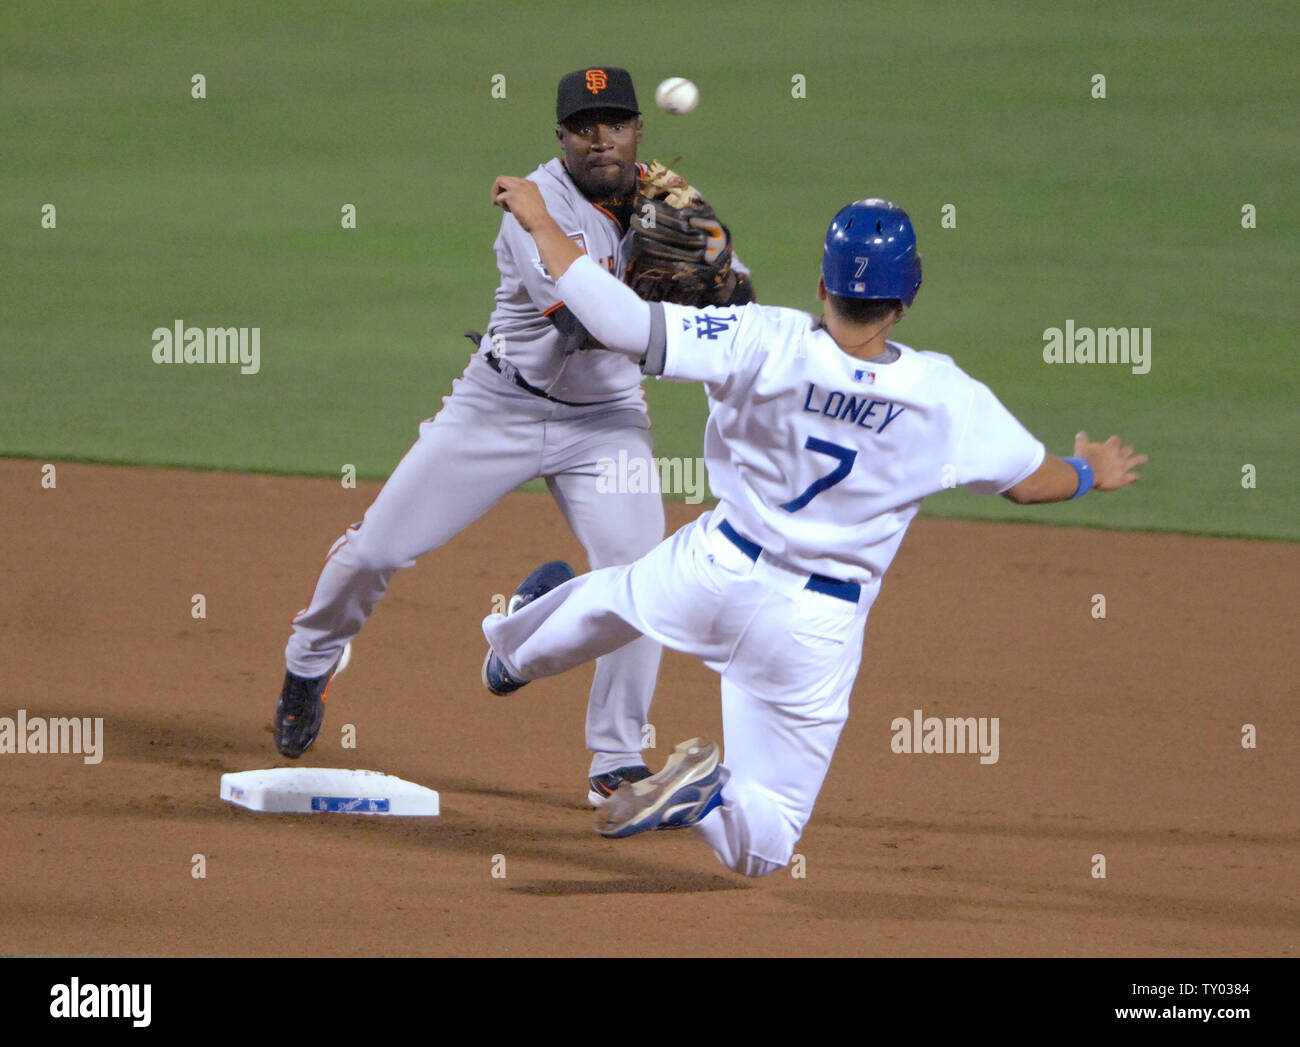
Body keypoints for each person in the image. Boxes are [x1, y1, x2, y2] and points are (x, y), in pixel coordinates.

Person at [480, 176, 1147, 876]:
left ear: (822, 287)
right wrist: (1088, 468)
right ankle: (707, 800)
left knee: (616, 599)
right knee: (767, 845)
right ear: (906, 299)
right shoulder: (947, 396)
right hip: (813, 629)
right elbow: (1030, 482)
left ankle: (511, 654)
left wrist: (541, 223)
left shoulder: (762, 336)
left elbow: (620, 323)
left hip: (716, 568)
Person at [273, 66, 753, 806]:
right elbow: (580, 320)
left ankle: (614, 757)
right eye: (585, 125)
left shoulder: (671, 205)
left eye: (616, 122)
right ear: (561, 138)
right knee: (377, 549)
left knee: (641, 577)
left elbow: (736, 306)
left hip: (605, 423)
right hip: (497, 408)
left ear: (638, 131)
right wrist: (662, 297)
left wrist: (718, 273)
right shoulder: (531, 207)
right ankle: (311, 659)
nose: (602, 138)